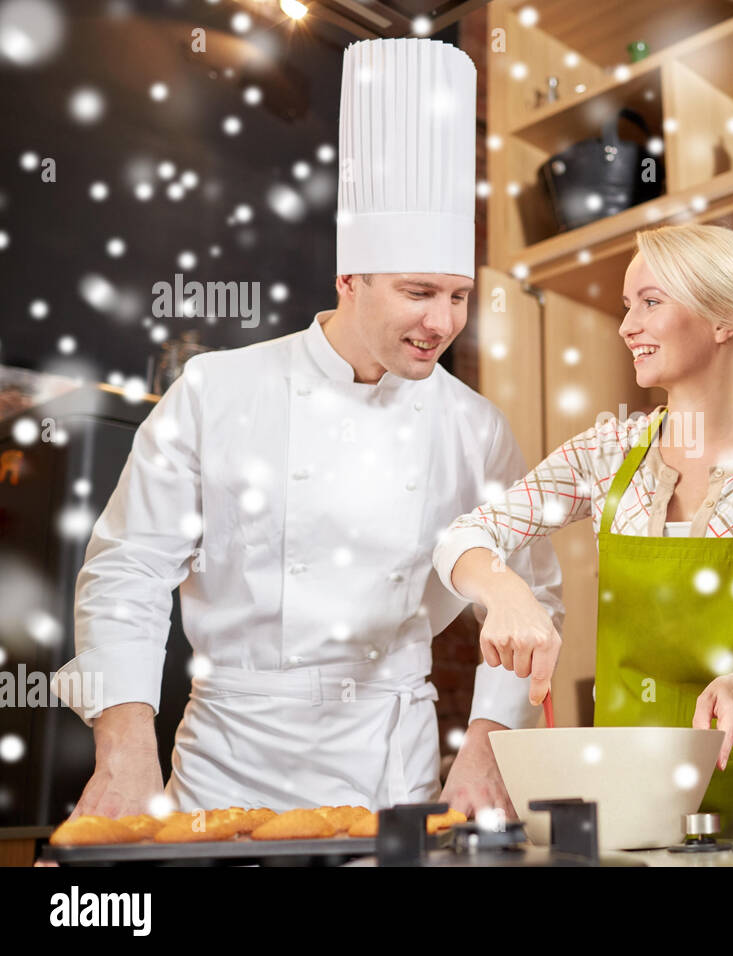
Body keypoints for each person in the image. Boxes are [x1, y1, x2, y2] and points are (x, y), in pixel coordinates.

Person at [57, 38, 562, 818]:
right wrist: (125, 753)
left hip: (390, 767)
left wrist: (487, 750)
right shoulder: (217, 390)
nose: (443, 323)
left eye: (459, 296)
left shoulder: (475, 428)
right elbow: (128, 571)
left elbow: (530, 600)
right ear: (349, 280)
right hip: (227, 763)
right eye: (419, 291)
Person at [432, 223, 733, 819]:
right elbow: (463, 536)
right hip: (632, 794)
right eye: (628, 306)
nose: (627, 326)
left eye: (651, 302)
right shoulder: (605, 453)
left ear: (723, 319)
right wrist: (507, 594)